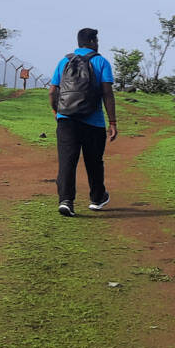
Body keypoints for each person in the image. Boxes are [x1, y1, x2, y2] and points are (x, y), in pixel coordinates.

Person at [48, 27, 117, 217]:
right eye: (97, 40)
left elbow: (52, 92)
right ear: (93, 42)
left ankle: (66, 201)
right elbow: (107, 93)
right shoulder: (101, 62)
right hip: (93, 121)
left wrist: (57, 112)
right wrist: (112, 122)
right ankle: (97, 198)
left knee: (67, 161)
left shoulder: (64, 61)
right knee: (94, 162)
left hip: (66, 120)